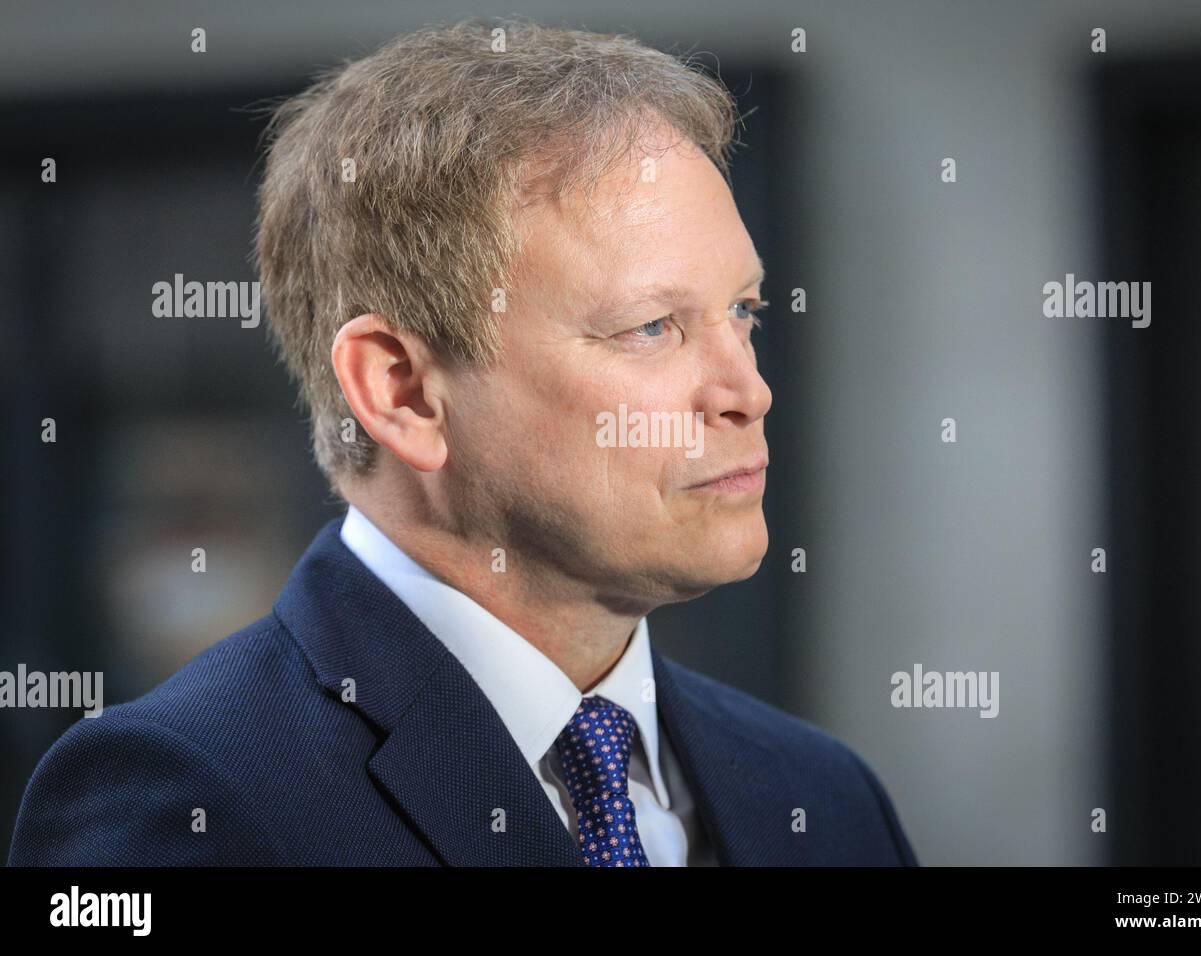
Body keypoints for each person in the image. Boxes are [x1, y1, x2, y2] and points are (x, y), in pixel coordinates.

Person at [8, 20, 917, 867]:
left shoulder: (822, 795)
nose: (749, 391)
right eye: (651, 327)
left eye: (743, 311)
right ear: (401, 391)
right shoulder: (183, 799)